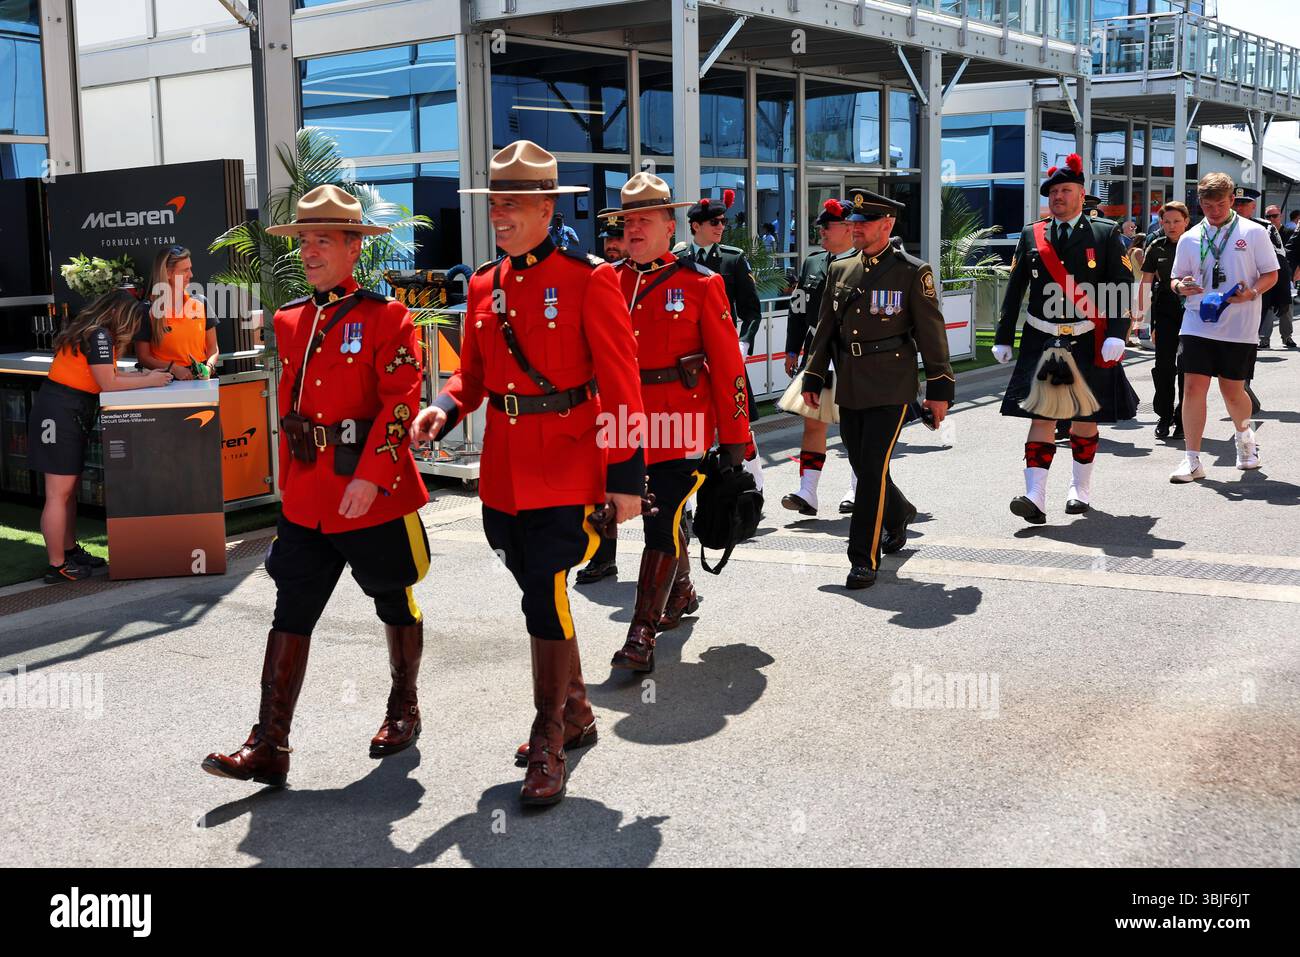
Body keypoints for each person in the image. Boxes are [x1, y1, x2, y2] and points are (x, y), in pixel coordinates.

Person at [410, 140, 646, 806]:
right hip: (507, 471)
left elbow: (623, 385)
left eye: (513, 203)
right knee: (535, 593)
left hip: (570, 465)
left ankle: (548, 738)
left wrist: (627, 477)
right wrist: (443, 407)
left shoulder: (588, 277)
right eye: (494, 202)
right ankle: (574, 709)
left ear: (547, 206)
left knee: (546, 592)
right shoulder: (484, 283)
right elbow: (474, 374)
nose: (500, 214)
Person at [202, 185, 431, 788]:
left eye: (322, 240)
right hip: (308, 496)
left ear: (354, 246)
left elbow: (403, 402)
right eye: (303, 240)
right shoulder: (289, 320)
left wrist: (371, 476)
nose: (307, 251)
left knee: (393, 596)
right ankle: (269, 743)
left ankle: (403, 706)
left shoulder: (389, 318)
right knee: (291, 609)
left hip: (370, 493)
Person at [599, 172, 750, 670]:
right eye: (627, 219)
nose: (634, 228)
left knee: (661, 515)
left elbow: (728, 365)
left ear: (669, 225)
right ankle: (680, 589)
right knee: (650, 514)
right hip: (619, 423)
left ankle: (641, 633)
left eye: (645, 219)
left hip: (679, 422)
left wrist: (736, 435)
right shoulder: (605, 283)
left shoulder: (700, 285)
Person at [799, 189, 953, 589]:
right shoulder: (840, 268)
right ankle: (899, 511)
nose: (855, 229)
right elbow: (825, 330)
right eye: (852, 222)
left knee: (870, 472)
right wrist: (813, 376)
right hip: (849, 379)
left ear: (887, 225)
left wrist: (939, 387)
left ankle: (863, 559)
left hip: (892, 381)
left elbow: (931, 333)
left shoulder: (910, 271)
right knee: (862, 463)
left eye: (864, 223)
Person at [993, 153, 1137, 524]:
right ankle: (1035, 495)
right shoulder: (1032, 233)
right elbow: (1015, 290)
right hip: (1042, 338)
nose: (1057, 196)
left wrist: (1118, 335)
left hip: (1088, 338)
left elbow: (1121, 287)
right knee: (1041, 415)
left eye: (1065, 190)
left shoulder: (1105, 233)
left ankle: (1079, 488)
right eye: (1053, 191)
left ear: (1081, 193)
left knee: (1083, 417)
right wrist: (1004, 336)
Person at [27, 291, 172, 584]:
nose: (133, 330)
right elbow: (109, 383)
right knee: (58, 493)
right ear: (122, 315)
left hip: (68, 410)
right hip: (60, 413)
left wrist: (151, 379)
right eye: (133, 322)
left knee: (67, 491)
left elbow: (109, 377)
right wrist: (150, 380)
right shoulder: (100, 337)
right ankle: (57, 566)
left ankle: (68, 551)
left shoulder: (95, 333)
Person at [1167, 173, 1278, 483]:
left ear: (1232, 200)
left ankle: (1245, 437)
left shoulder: (1253, 232)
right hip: (1197, 322)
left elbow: (1271, 274)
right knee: (1192, 387)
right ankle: (1192, 460)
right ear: (1199, 204)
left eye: (1219, 204)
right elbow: (1176, 278)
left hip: (1239, 325)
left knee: (1232, 391)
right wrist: (1181, 287)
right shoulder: (1190, 237)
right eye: (1206, 205)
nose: (1213, 211)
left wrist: (1253, 292)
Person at [782, 198, 858, 516]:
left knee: (856, 427)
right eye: (820, 227)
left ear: (849, 228)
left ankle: (857, 489)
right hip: (817, 355)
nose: (822, 232)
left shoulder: (867, 263)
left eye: (827, 226)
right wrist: (791, 348)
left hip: (853, 356)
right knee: (813, 424)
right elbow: (798, 309)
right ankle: (807, 491)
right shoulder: (812, 264)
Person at [685, 191, 764, 487]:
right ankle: (690, 494)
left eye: (722, 221)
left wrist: (743, 343)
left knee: (739, 422)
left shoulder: (733, 259)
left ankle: (755, 482)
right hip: (692, 358)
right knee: (694, 424)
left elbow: (752, 310)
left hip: (727, 354)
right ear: (696, 225)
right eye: (714, 222)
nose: (720, 226)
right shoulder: (680, 259)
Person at [574, 207, 630, 587]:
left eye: (618, 238)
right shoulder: (595, 276)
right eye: (608, 239)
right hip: (603, 395)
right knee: (602, 483)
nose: (612, 245)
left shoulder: (648, 275)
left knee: (661, 491)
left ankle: (677, 576)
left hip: (646, 396)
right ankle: (603, 556)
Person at [1138, 201, 1191, 440]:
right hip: (1166, 311)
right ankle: (1164, 415)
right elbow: (1146, 281)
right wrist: (1138, 314)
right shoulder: (1156, 246)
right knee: (1164, 367)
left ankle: (1183, 418)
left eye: (1176, 221)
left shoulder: (1196, 244)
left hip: (1192, 312)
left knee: (1188, 368)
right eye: (1166, 222)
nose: (1171, 226)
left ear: (1186, 222)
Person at [135, 245, 219, 380]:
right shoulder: (146, 310)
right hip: (166, 383)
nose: (191, 275)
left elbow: (213, 348)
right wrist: (173, 368)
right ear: (168, 273)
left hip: (203, 382)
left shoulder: (201, 302)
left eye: (190, 269)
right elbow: (144, 357)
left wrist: (208, 368)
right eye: (185, 270)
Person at [1236, 189, 1295, 351]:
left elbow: (1279, 261)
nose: (1238, 208)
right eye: (1236, 204)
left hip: (1257, 285)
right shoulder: (1219, 227)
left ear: (1253, 206)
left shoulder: (1265, 228)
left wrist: (1283, 293)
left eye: (1243, 204)